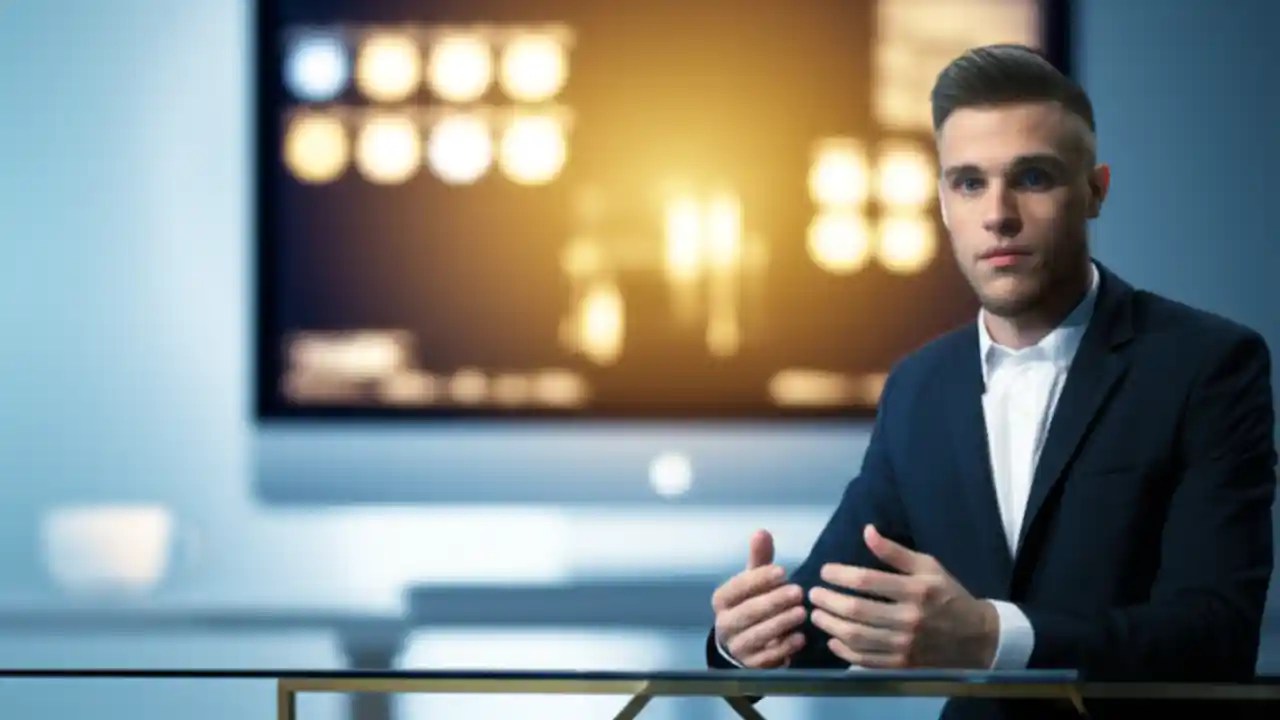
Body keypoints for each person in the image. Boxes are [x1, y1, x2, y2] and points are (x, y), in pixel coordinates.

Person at [705, 43, 1277, 719]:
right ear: (944, 203)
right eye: (968, 182)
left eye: (1032, 178)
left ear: (1096, 191)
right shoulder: (920, 386)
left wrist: (990, 637)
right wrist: (746, 640)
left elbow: (1216, 639)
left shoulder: (1208, 364)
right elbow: (834, 609)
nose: (997, 214)